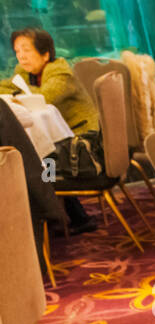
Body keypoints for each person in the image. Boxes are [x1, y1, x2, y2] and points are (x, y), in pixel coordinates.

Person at [1, 28, 99, 232]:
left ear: (45, 53)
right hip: (57, 139)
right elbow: (7, 87)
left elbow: (45, 97)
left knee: (44, 159)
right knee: (40, 153)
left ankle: (62, 214)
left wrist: (16, 91)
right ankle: (63, 214)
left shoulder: (60, 71)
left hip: (81, 141)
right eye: (17, 51)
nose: (21, 56)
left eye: (26, 50)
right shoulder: (24, 73)